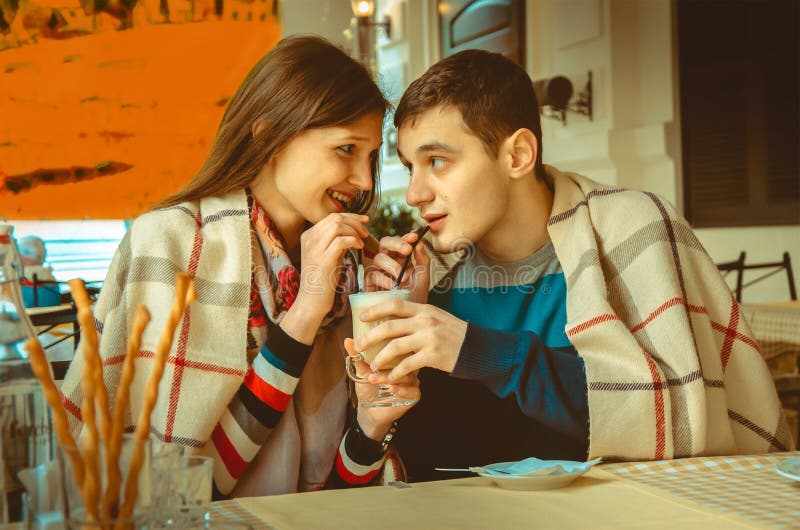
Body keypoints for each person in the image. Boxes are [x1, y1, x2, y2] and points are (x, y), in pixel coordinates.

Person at [331, 49, 792, 486]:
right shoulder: (428, 273)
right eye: (411, 166)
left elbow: (681, 421)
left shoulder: (633, 227)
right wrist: (402, 347)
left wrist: (479, 351)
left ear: (517, 156)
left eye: (437, 161)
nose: (414, 194)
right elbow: (409, 461)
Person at [60, 34, 391, 497]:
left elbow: (341, 494)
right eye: (346, 149)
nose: (361, 180)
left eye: (371, 156)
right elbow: (179, 491)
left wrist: (374, 418)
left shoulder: (348, 267)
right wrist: (303, 314)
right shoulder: (170, 245)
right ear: (270, 133)